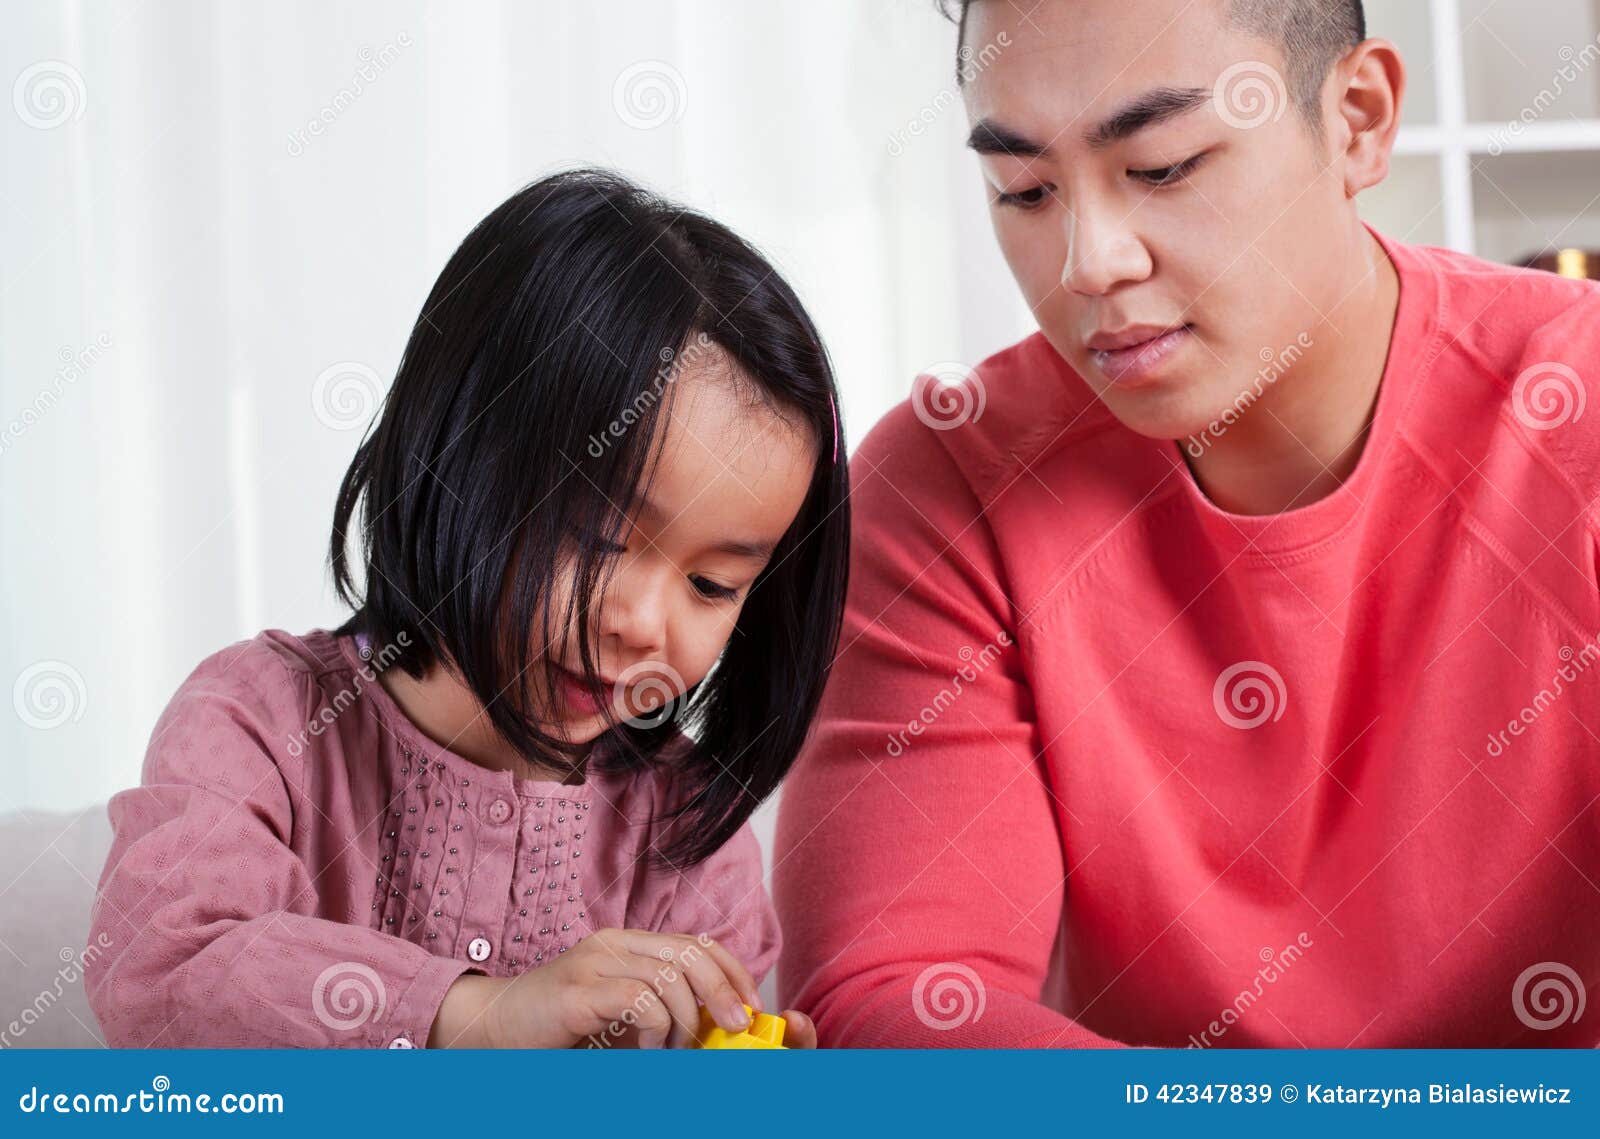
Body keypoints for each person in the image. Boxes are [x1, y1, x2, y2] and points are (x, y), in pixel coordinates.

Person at [776, 0, 1600, 1047]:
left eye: (1161, 166)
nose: (1089, 263)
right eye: (1022, 189)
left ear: (1355, 118)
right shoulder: (947, 482)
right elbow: (887, 997)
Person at [86, 168, 849, 1049]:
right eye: (599, 540)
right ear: (459, 452)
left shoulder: (687, 836)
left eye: (712, 584)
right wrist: (476, 1014)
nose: (643, 624)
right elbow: (158, 969)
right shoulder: (257, 721)